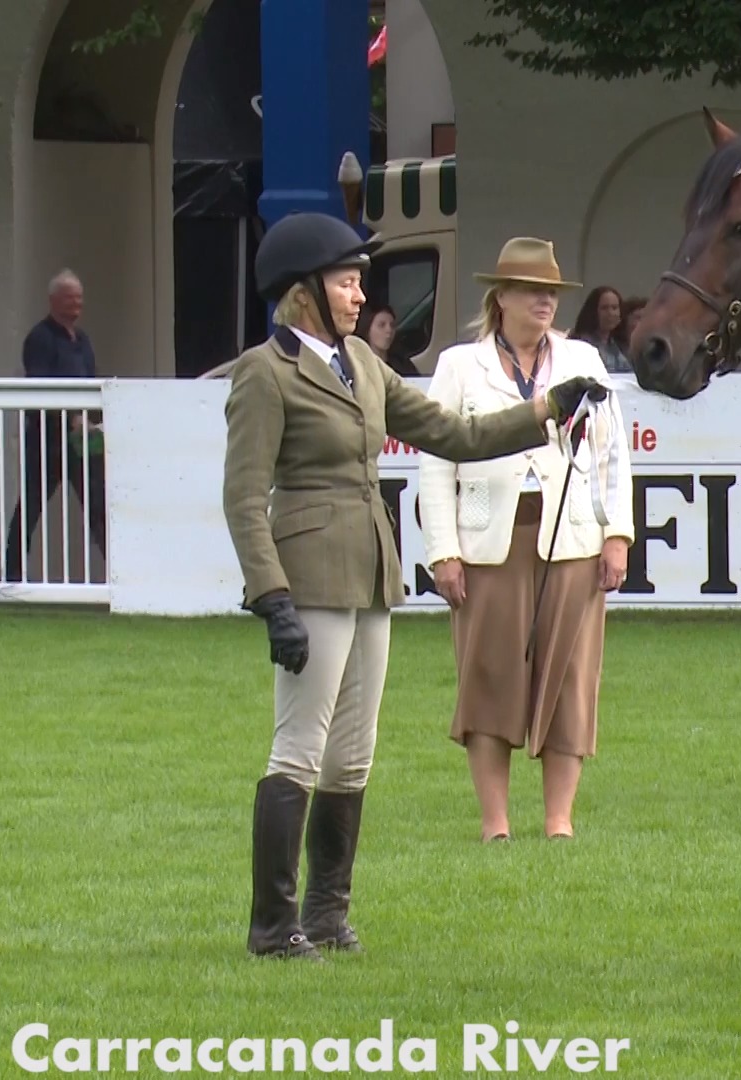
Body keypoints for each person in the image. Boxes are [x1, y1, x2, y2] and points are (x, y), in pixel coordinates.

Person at [222, 212, 608, 960]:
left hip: (370, 572)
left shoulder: (362, 366)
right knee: (300, 748)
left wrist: (545, 411)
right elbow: (244, 497)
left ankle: (329, 915)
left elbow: (454, 436)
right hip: (309, 573)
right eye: (345, 280)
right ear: (303, 291)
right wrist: (271, 596)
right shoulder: (265, 373)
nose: (359, 292)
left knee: (353, 755)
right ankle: (273, 925)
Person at [421, 239, 636, 842]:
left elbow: (614, 454)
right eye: (533, 290)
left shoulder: (584, 360)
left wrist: (617, 535)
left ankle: (559, 820)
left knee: (570, 676)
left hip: (573, 539)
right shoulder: (460, 366)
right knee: (488, 677)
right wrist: (444, 550)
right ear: (502, 297)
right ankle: (495, 824)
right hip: (489, 542)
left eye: (553, 292)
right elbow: (436, 463)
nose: (545, 301)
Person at [4, 270, 106, 583]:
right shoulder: (40, 338)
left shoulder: (83, 339)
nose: (77, 303)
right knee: (30, 507)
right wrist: (71, 417)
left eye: (79, 297)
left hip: (81, 444)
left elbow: (93, 382)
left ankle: (120, 576)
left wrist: (92, 421)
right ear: (53, 300)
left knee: (99, 506)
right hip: (47, 443)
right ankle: (12, 574)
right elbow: (40, 386)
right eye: (70, 297)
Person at [569, 285, 634, 374]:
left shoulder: (622, 344)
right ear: (593, 311)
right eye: (604, 308)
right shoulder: (580, 344)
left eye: (614, 308)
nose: (610, 313)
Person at [354, 303, 419, 376]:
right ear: (367, 329)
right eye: (381, 325)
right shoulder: (358, 366)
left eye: (392, 325)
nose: (389, 330)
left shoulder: (403, 364)